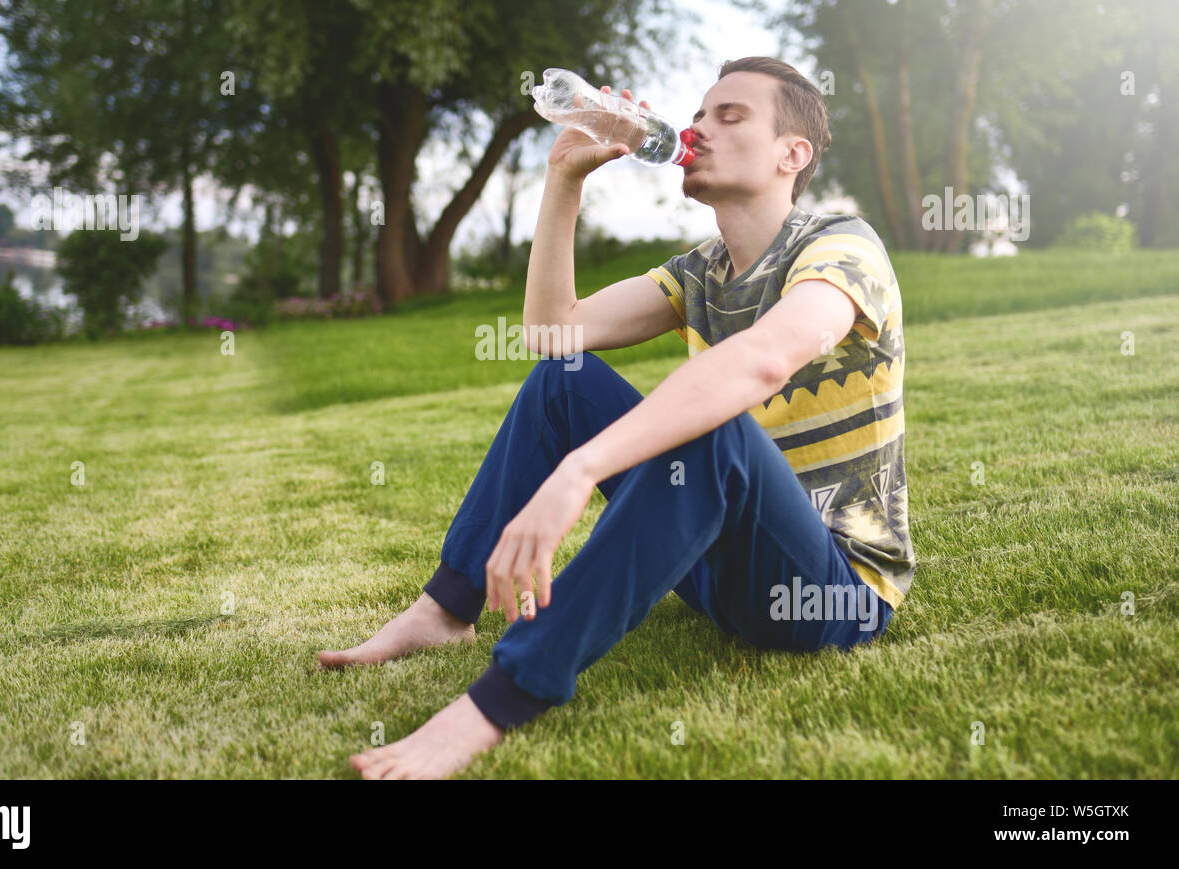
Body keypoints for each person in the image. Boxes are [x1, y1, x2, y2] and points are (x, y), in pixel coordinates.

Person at [320, 56, 913, 780]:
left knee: (717, 424)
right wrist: (564, 179)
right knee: (564, 381)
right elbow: (552, 332)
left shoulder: (841, 245)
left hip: (827, 591)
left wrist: (584, 468)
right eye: (698, 115)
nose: (699, 129)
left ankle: (501, 700)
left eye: (731, 116)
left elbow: (762, 361)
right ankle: (446, 608)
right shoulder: (701, 271)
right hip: (715, 575)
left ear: (794, 155)